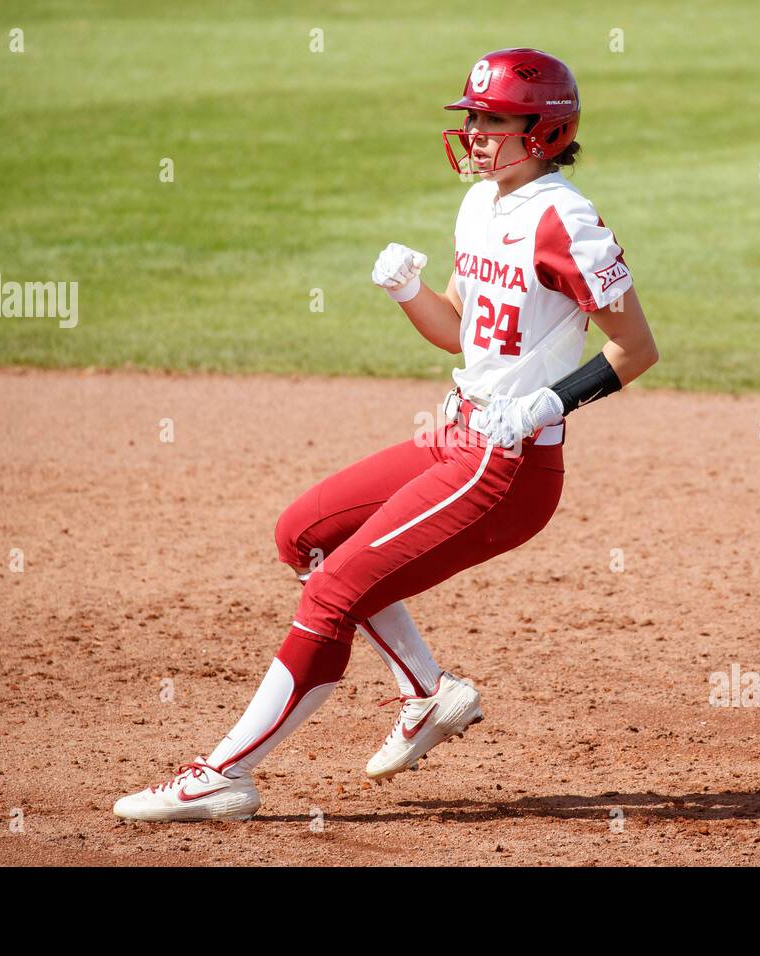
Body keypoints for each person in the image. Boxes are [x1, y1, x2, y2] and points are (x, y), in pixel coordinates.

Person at [113, 47, 659, 821]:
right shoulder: (481, 205)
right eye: (470, 118)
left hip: (507, 468)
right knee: (303, 536)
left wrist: (545, 406)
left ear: (543, 130)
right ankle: (427, 694)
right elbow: (462, 330)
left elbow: (635, 348)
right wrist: (409, 293)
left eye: (491, 119)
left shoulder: (566, 221)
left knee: (333, 594)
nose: (473, 133)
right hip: (456, 438)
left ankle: (221, 775)